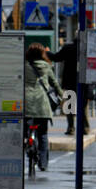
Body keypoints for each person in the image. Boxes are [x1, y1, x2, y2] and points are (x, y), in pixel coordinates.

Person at [24, 43, 62, 172]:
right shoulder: (46, 66)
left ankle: (26, 144)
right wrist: (62, 97)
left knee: (22, 132)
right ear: (42, 54)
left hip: (25, 104)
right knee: (43, 135)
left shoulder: (23, 66)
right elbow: (55, 84)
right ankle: (43, 163)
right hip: (42, 105)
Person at [48, 37, 89, 136]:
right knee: (83, 106)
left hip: (69, 81)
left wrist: (48, 53)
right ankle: (85, 128)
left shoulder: (68, 48)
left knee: (70, 106)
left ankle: (71, 128)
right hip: (84, 81)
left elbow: (56, 58)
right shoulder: (87, 49)